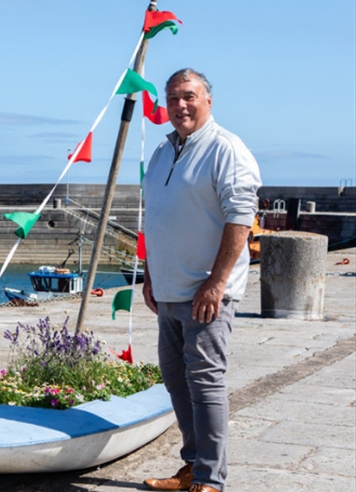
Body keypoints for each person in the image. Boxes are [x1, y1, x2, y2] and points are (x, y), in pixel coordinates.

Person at [141, 69, 261, 492]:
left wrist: (216, 282)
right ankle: (192, 465)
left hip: (207, 293)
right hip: (168, 290)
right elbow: (154, 217)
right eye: (173, 98)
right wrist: (150, 273)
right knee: (176, 380)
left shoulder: (226, 148)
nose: (180, 105)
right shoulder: (160, 152)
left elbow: (241, 217)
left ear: (208, 100)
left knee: (205, 381)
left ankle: (211, 479)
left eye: (189, 96)